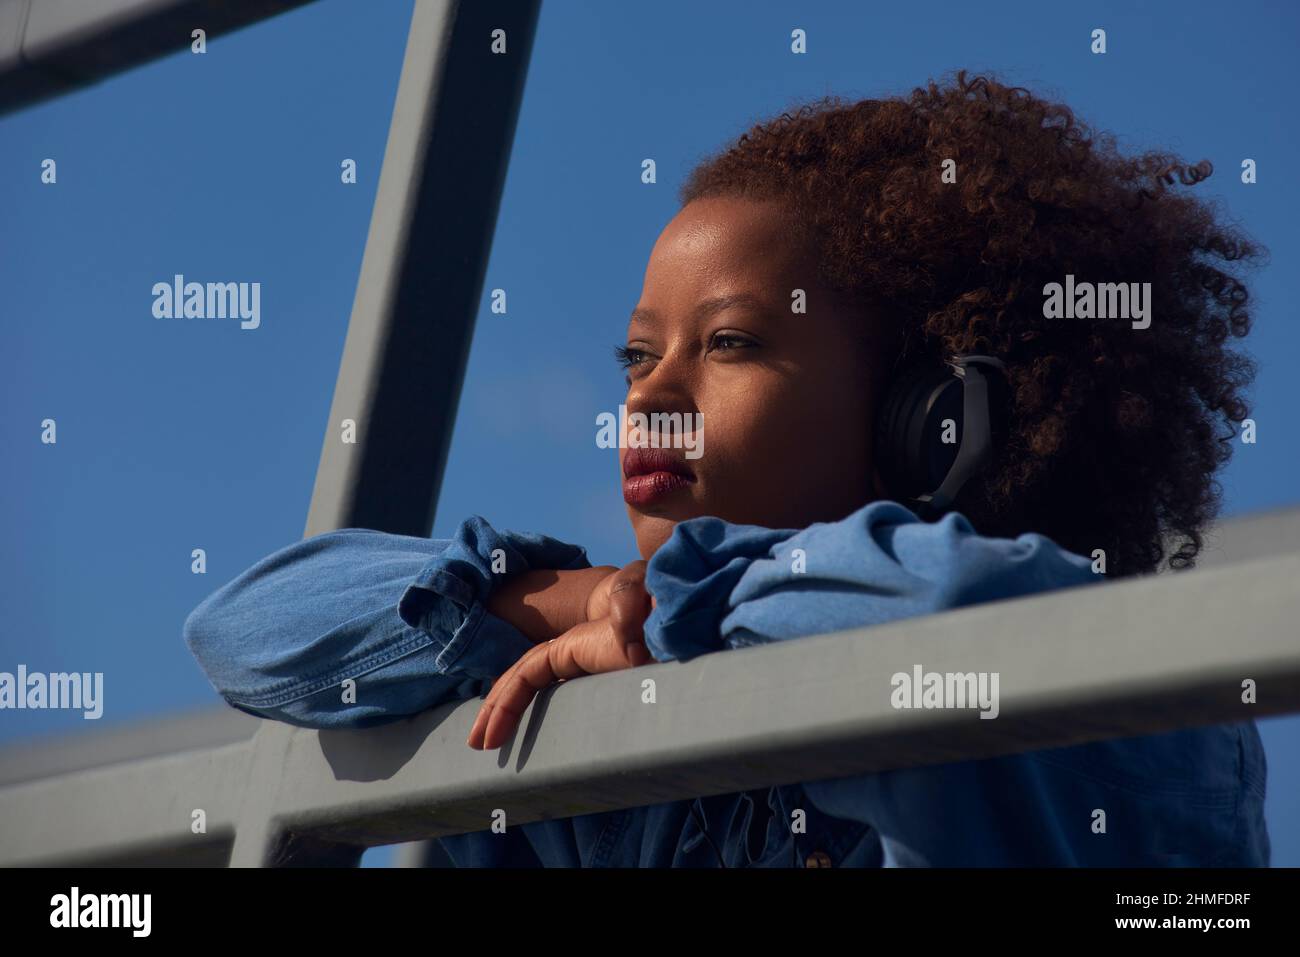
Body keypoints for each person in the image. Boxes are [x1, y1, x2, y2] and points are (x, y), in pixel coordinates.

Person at [183, 72, 1269, 867]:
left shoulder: (1135, 719)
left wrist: (662, 605)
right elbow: (247, 630)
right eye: (637, 354)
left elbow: (949, 604)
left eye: (732, 343)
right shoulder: (594, 667)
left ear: (927, 419)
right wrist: (577, 598)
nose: (649, 398)